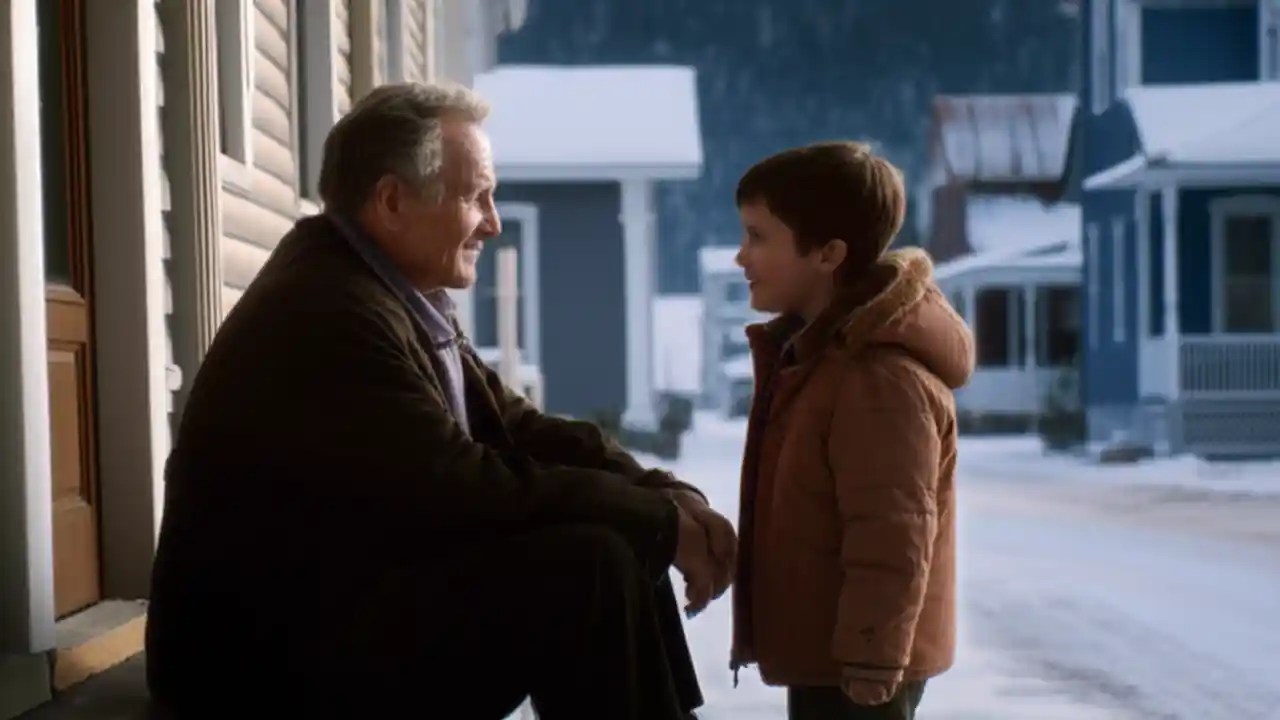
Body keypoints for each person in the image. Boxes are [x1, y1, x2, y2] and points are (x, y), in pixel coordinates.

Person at [144, 82, 735, 720]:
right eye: (475, 195)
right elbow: (464, 485)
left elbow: (517, 427)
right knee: (588, 566)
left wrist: (660, 493)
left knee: (615, 539)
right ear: (393, 200)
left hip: (333, 612)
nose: (494, 220)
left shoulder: (388, 291)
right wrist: (654, 519)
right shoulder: (328, 312)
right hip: (253, 668)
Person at [726, 142, 974, 720]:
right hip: (830, 653)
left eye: (758, 237)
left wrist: (871, 658)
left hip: (859, 668)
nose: (741, 257)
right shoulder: (817, 360)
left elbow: (894, 531)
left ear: (829, 254)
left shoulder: (877, 379)